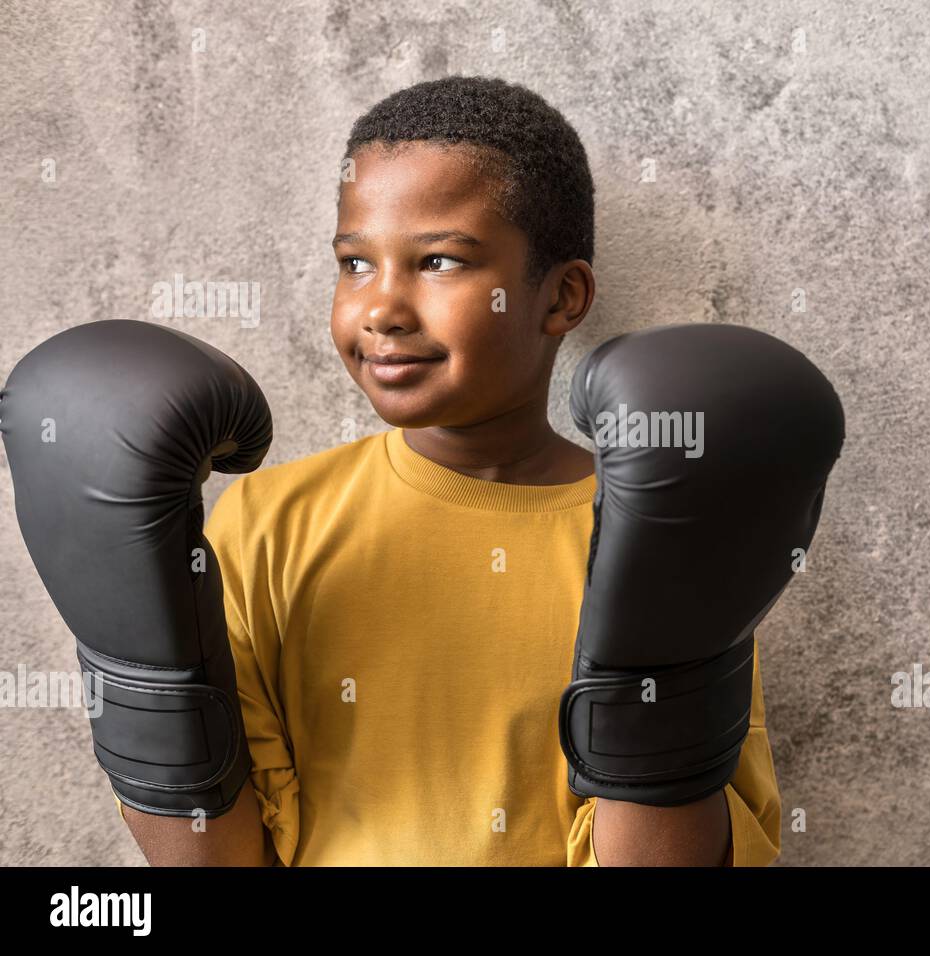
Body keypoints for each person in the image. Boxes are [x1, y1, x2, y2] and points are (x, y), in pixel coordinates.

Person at [112, 76, 787, 865]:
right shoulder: (264, 520)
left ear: (562, 297)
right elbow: (215, 860)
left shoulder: (661, 532)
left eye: (438, 260)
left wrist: (660, 680)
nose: (382, 308)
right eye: (354, 263)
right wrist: (134, 663)